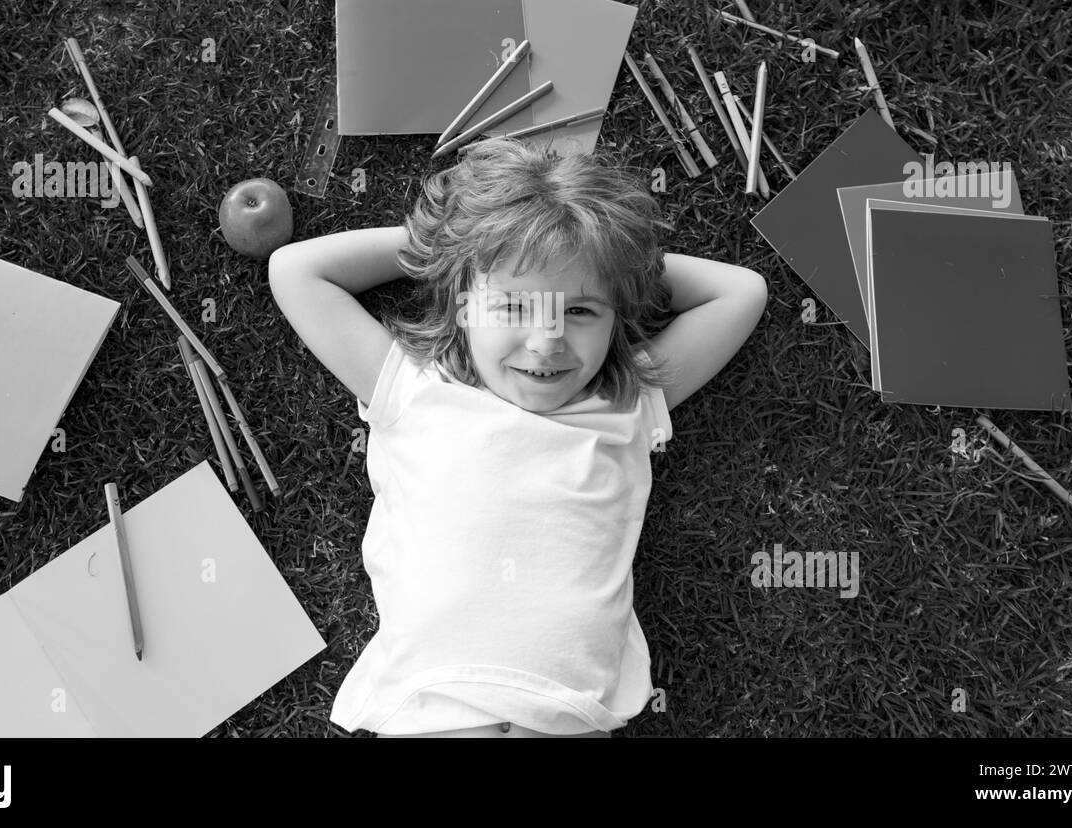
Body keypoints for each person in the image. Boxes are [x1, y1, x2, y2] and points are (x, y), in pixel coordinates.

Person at [269, 137, 767, 737]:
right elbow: (296, 271)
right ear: (462, 304)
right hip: (433, 707)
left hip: (571, 715)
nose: (546, 342)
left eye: (581, 312)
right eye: (512, 308)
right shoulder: (414, 389)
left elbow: (741, 293)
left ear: (616, 320)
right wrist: (458, 243)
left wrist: (612, 257)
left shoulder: (625, 406)